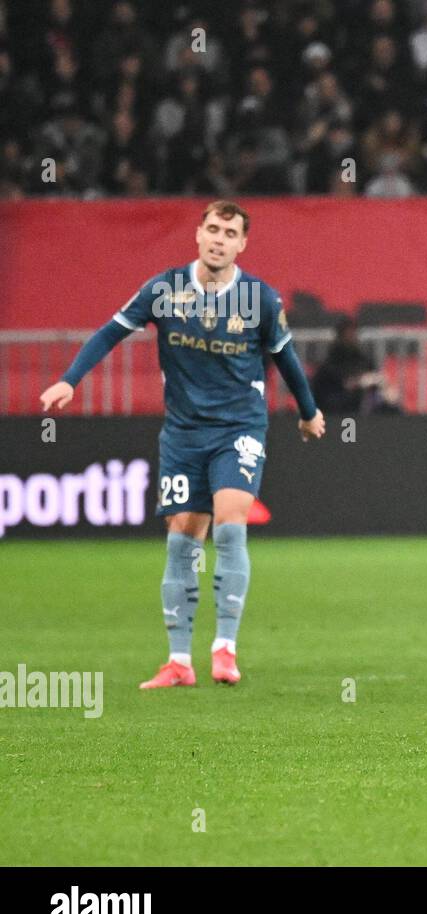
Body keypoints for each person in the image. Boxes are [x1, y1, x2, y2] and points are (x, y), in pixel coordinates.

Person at [39, 201, 326, 689]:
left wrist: (308, 412)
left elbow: (287, 359)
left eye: (229, 232)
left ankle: (225, 649)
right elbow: (110, 333)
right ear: (197, 234)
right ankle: (178, 661)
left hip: (239, 427)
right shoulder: (164, 290)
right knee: (183, 539)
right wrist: (70, 379)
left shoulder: (260, 299)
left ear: (241, 244)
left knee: (231, 522)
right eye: (211, 228)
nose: (218, 238)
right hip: (183, 433)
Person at [311, 317, 401, 414]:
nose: (352, 338)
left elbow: (375, 379)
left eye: (354, 334)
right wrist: (356, 384)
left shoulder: (363, 360)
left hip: (364, 405)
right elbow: (326, 392)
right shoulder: (329, 364)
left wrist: (383, 387)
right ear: (340, 337)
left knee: (391, 406)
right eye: (348, 335)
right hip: (337, 408)